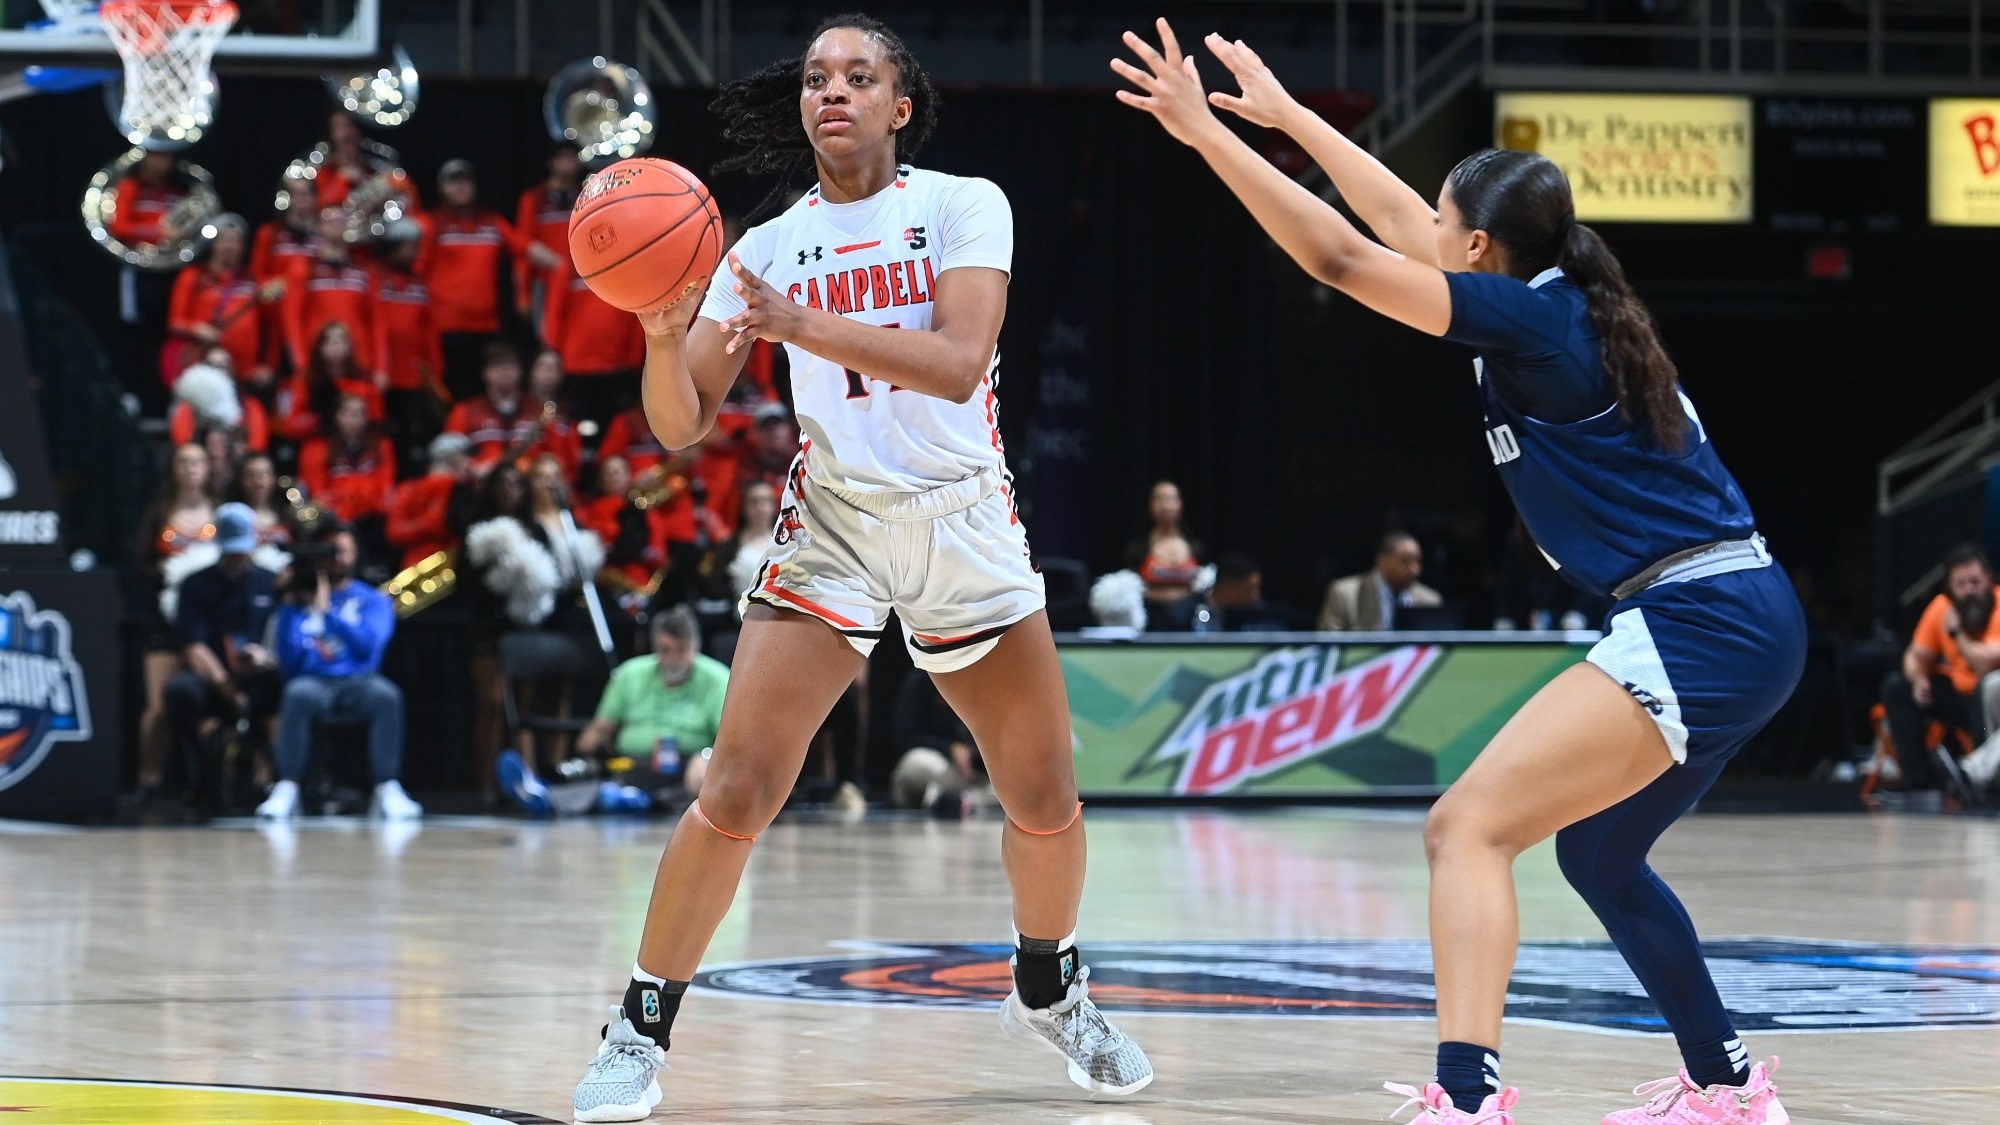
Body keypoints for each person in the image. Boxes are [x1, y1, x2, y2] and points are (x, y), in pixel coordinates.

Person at [1117, 23, 1804, 1125]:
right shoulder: (1546, 304)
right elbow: (1391, 222)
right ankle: (1726, 1089)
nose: (1423, 230)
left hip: (1701, 617)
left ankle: (1465, 1098)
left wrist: (1203, 136)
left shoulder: (1535, 326)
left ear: (1477, 247)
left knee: (1463, 828)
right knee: (1600, 856)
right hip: (1744, 614)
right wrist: (1291, 120)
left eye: (1443, 223)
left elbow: (1343, 257)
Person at [566, 17, 1152, 1122]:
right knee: (734, 790)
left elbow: (956, 362)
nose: (832, 91)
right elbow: (681, 425)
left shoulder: (961, 205)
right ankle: (637, 1030)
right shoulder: (761, 249)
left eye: (859, 76)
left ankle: (1047, 982)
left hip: (962, 516)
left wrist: (799, 324)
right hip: (833, 517)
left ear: (900, 107)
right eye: (818, 78)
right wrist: (656, 330)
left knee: (1043, 799)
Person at [257, 524, 421, 821]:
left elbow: (368, 648)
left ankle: (387, 787)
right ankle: (287, 787)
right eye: (330, 552)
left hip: (359, 681)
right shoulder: (296, 602)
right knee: (296, 693)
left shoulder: (373, 600)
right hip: (313, 682)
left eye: (343, 551)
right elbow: (290, 662)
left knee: (387, 696)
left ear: (356, 555)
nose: (337, 559)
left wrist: (329, 613)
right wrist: (287, 605)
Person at [161, 503, 283, 813]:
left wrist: (267, 659)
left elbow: (286, 634)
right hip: (213, 676)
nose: (237, 556)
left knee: (286, 687)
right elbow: (192, 645)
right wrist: (227, 687)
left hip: (260, 675)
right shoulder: (196, 584)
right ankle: (198, 779)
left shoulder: (272, 582)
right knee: (180, 691)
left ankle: (278, 778)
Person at [127, 443, 219, 808]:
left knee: (211, 703)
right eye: (184, 463)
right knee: (158, 705)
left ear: (208, 468)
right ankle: (148, 780)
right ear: (174, 469)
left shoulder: (221, 510)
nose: (191, 469)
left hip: (209, 623)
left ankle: (210, 783)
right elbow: (140, 562)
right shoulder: (160, 512)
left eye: (198, 462)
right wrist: (169, 574)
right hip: (165, 620)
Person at [421, 159, 558, 399]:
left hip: (487, 328)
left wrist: (572, 266)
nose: (461, 187)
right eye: (454, 181)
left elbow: (528, 249)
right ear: (442, 188)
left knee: (485, 397)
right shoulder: (430, 223)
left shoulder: (491, 222)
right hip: (445, 328)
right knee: (450, 396)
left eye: (466, 181)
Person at [568, 606, 728, 798]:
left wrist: (706, 755)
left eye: (681, 650)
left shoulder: (718, 679)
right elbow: (597, 731)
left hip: (689, 772)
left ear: (696, 647)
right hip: (631, 767)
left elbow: (731, 743)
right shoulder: (629, 674)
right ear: (654, 647)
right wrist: (590, 745)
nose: (673, 659)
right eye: (665, 650)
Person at [1878, 543, 2000, 793]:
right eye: (1961, 584)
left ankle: (1977, 779)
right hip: (1958, 695)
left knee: (1987, 685)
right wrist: (1919, 677)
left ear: (1988, 578)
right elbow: (1914, 655)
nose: (1970, 590)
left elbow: (1985, 663)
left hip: (1990, 698)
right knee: (1897, 686)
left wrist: (1957, 634)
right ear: (1950, 586)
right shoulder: (1942, 606)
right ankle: (1920, 779)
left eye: (1975, 582)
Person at [166, 214, 280, 389]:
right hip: (201, 366)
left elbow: (274, 327)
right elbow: (175, 321)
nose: (230, 246)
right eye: (224, 240)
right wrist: (196, 328)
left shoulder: (253, 280)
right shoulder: (193, 276)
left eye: (236, 241)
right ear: (213, 243)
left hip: (244, 374)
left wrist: (269, 365)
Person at [373, 217, 447, 458]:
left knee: (414, 438)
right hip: (382, 375)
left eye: (416, 246)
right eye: (408, 246)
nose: (414, 252)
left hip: (413, 376)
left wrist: (435, 371)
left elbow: (429, 330)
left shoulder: (420, 283)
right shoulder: (373, 276)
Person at [273, 322, 386, 446]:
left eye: (341, 340)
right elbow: (291, 425)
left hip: (359, 444)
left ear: (350, 346)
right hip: (317, 441)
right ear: (320, 347)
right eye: (329, 341)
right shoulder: (306, 379)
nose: (335, 346)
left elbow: (377, 419)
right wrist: (319, 418)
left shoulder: (363, 379)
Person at [298, 394, 397, 528]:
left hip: (375, 517)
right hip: (337, 519)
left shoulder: (382, 447)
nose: (355, 419)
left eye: (360, 413)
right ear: (337, 416)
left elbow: (386, 487)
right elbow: (318, 494)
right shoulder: (316, 450)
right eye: (349, 413)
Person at [516, 143, 582, 334]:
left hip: (580, 281)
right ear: (551, 163)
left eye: (572, 158)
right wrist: (523, 294)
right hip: (545, 281)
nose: (568, 164)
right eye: (563, 158)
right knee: (547, 337)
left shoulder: (586, 195)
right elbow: (525, 248)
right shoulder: (533, 199)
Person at [1319, 531, 1443, 631]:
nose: (1414, 570)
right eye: (1405, 562)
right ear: (1381, 561)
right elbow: (1328, 648)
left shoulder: (1430, 600)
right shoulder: (1345, 594)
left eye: (1417, 562)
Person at [386, 432, 476, 569]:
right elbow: (394, 532)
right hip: (425, 568)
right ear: (451, 459)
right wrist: (431, 521)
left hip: (435, 565)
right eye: (465, 457)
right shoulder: (453, 488)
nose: (470, 463)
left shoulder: (408, 489)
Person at [227, 452, 299, 550]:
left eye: (265, 474)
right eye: (251, 474)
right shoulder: (232, 517)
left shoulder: (289, 514)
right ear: (241, 480)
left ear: (273, 478)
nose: (258, 480)